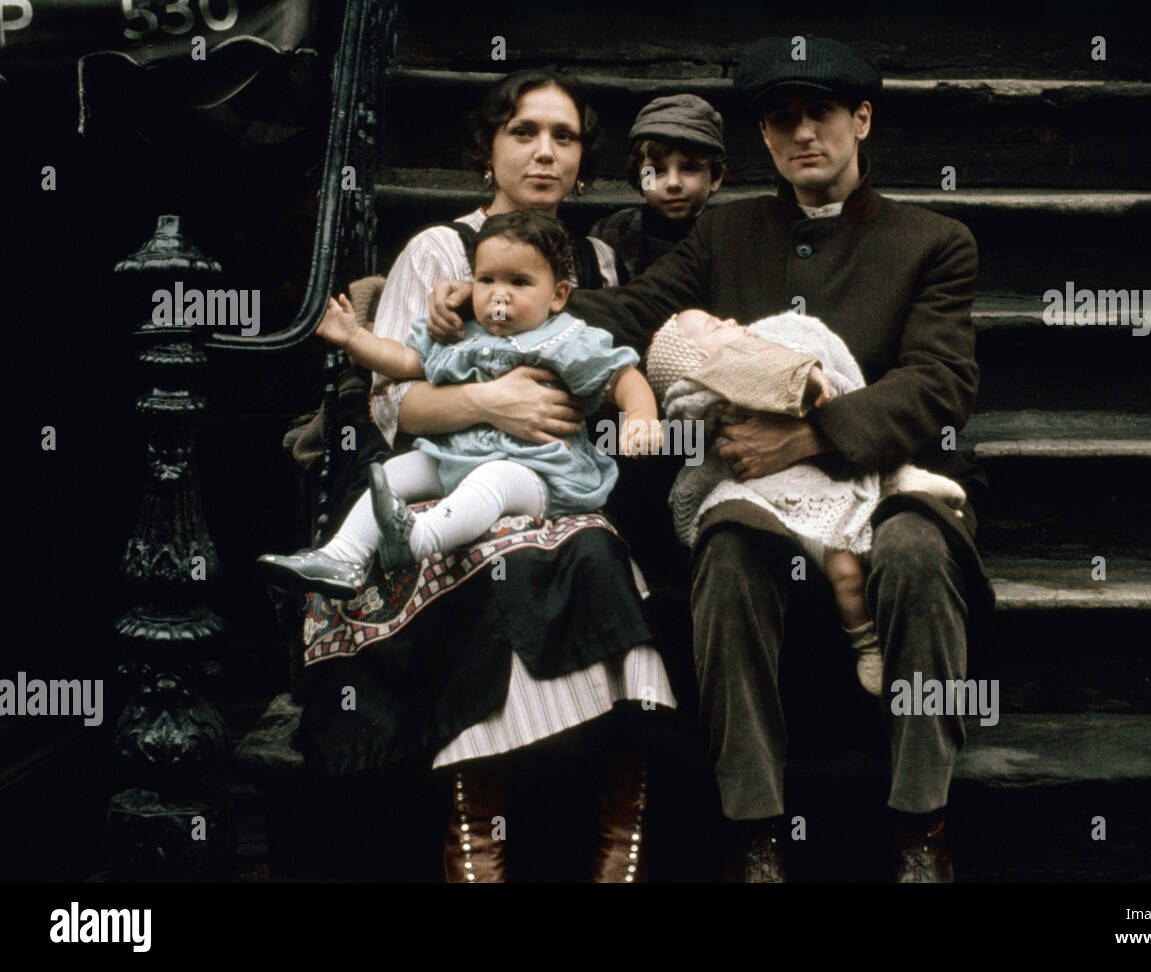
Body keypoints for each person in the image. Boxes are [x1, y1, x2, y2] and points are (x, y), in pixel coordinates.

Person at [427, 37, 996, 884]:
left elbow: (940, 380)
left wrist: (811, 436)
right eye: (782, 120)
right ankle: (755, 837)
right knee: (725, 554)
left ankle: (922, 826)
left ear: (862, 121)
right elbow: (637, 309)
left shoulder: (934, 240)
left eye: (822, 115)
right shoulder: (729, 233)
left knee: (913, 554)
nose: (804, 134)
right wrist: (496, 300)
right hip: (758, 490)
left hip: (890, 475)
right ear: (765, 139)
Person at [291, 70, 676, 884]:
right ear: (488, 147)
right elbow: (398, 410)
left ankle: (618, 835)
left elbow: (613, 368)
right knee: (505, 558)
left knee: (588, 552)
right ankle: (478, 838)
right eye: (524, 131)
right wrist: (492, 401)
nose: (544, 151)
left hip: (560, 480)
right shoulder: (440, 249)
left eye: (564, 137)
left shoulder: (597, 256)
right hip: (450, 473)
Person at [260, 211, 662, 597]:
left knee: (493, 481)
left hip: (541, 473)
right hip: (461, 453)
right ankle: (341, 556)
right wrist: (352, 338)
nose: (499, 295)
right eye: (487, 280)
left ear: (557, 295)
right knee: (397, 470)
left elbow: (622, 377)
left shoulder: (567, 338)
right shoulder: (462, 335)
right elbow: (403, 360)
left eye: (519, 282)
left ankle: (419, 538)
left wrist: (641, 417)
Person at [645, 308, 968, 696]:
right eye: (716, 328)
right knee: (845, 568)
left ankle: (900, 481)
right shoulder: (710, 383)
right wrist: (803, 376)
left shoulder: (768, 341)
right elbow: (761, 376)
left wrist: (809, 381)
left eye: (724, 320)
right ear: (696, 360)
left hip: (838, 452)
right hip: (781, 486)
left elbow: (785, 363)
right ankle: (866, 644)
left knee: (892, 513)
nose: (732, 322)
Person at [589, 94, 726, 278]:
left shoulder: (725, 238)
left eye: (689, 169)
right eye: (657, 171)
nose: (673, 183)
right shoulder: (610, 233)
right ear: (640, 178)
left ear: (715, 177)